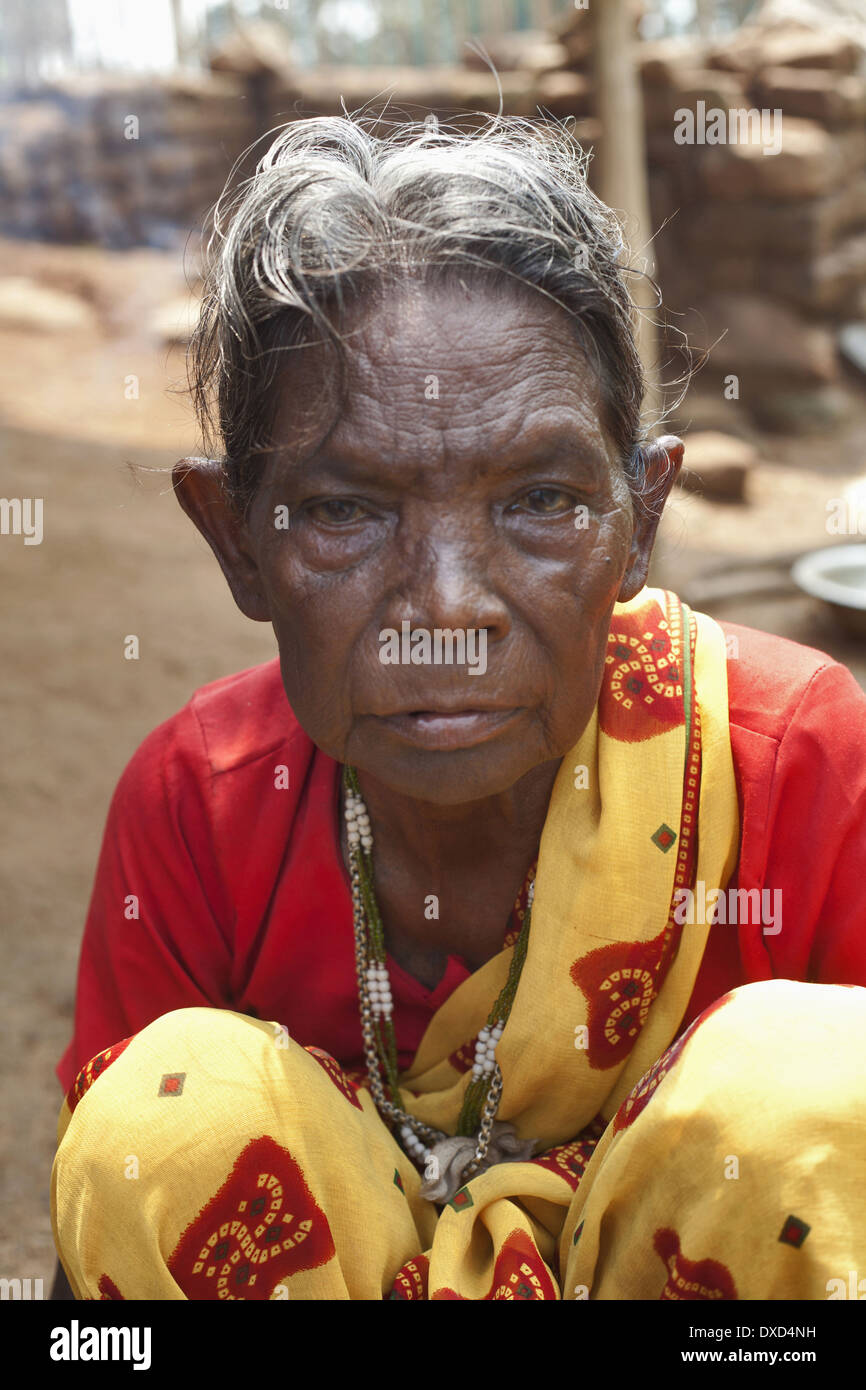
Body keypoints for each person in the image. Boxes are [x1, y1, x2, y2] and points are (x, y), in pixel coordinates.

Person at [50, 114, 866, 1301]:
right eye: (344, 511)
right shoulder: (201, 802)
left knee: (814, 1088)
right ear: (235, 538)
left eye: (540, 499)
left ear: (639, 520)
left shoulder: (790, 763)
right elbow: (110, 1260)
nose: (443, 608)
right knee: (163, 1122)